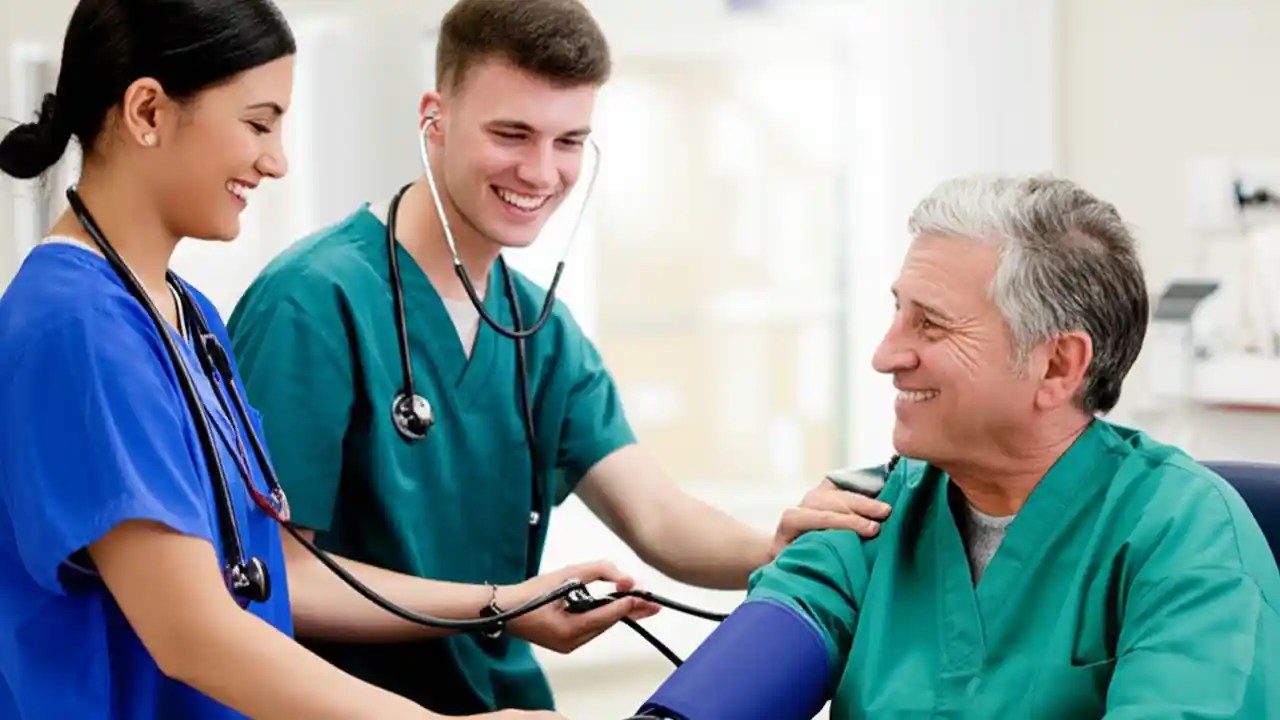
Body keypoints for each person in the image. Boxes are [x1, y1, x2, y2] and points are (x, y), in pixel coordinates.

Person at [225, 0, 887, 713]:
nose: (541, 172)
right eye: (512, 133)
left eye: (569, 140)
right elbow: (277, 575)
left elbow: (659, 518)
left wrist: (772, 547)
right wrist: (501, 606)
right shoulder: (312, 303)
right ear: (434, 118)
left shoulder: (543, 331)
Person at [0, 2, 562, 719]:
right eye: (258, 123)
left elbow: (264, 580)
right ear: (147, 111)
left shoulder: (188, 315)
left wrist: (503, 605)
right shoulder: (75, 326)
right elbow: (193, 635)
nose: (276, 159)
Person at [665, 175, 1280, 717]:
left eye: (929, 324)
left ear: (1058, 365)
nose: (885, 356)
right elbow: (730, 690)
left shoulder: (1187, 538)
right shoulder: (865, 516)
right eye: (897, 313)